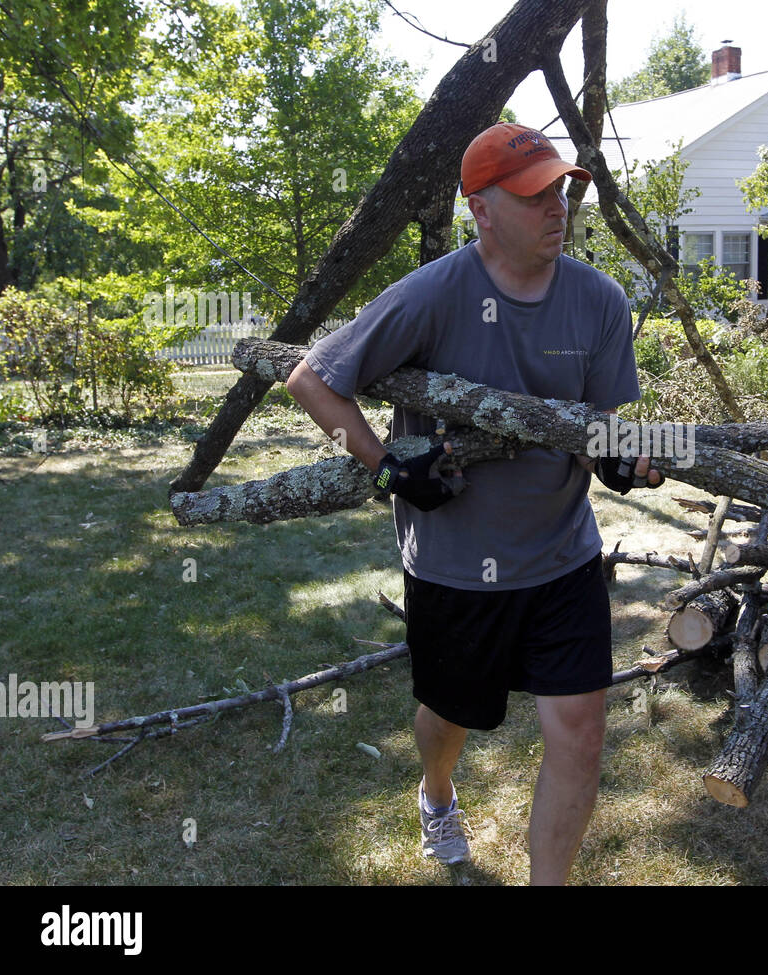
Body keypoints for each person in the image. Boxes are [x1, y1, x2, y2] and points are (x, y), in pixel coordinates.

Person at [285, 122, 665, 885]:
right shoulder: (433, 294)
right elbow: (310, 379)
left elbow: (607, 430)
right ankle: (436, 791)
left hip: (562, 555)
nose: (556, 208)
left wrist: (625, 459)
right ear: (481, 210)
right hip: (459, 564)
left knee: (581, 732)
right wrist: (390, 467)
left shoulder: (599, 300)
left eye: (561, 190)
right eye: (533, 196)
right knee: (449, 715)